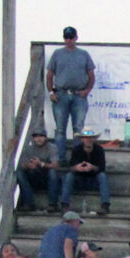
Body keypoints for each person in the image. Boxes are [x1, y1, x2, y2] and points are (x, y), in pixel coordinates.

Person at [45, 27, 95, 159]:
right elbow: (49, 75)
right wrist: (51, 92)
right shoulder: (57, 54)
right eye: (66, 37)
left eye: (71, 37)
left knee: (78, 130)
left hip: (79, 95)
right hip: (61, 95)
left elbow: (91, 75)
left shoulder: (84, 54)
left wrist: (87, 91)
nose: (68, 40)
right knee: (60, 129)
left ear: (76, 38)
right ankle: (60, 159)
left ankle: (76, 159)